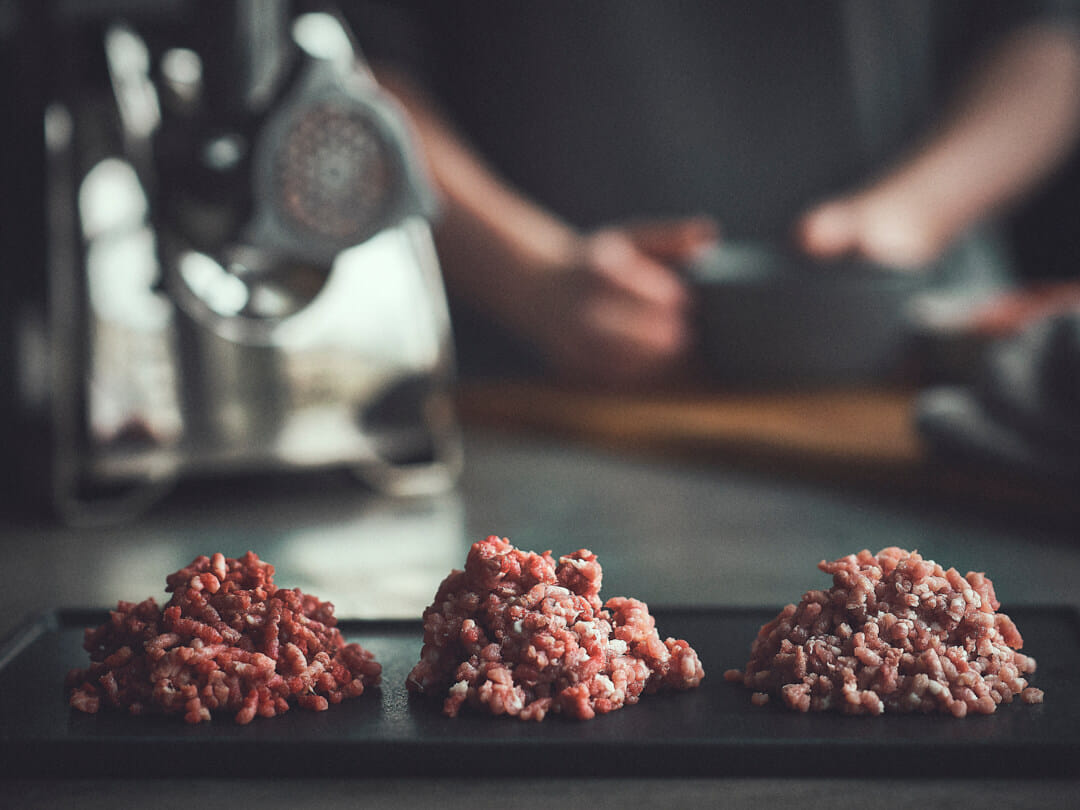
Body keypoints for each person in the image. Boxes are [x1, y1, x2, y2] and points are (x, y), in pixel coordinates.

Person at [342, 1, 1080, 387]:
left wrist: (920, 208)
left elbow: (1050, 35)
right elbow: (350, 65)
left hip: (918, 373)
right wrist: (528, 274)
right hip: (542, 388)